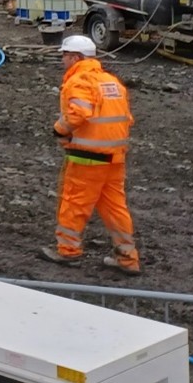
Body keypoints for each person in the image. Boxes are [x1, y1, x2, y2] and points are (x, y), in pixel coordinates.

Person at [42, 33, 139, 275]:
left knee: (74, 203)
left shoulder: (79, 80)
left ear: (75, 57)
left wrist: (59, 130)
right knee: (115, 207)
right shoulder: (112, 82)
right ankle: (127, 258)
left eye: (64, 55)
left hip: (88, 156)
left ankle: (68, 251)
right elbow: (125, 118)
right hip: (115, 157)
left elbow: (79, 113)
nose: (62, 60)